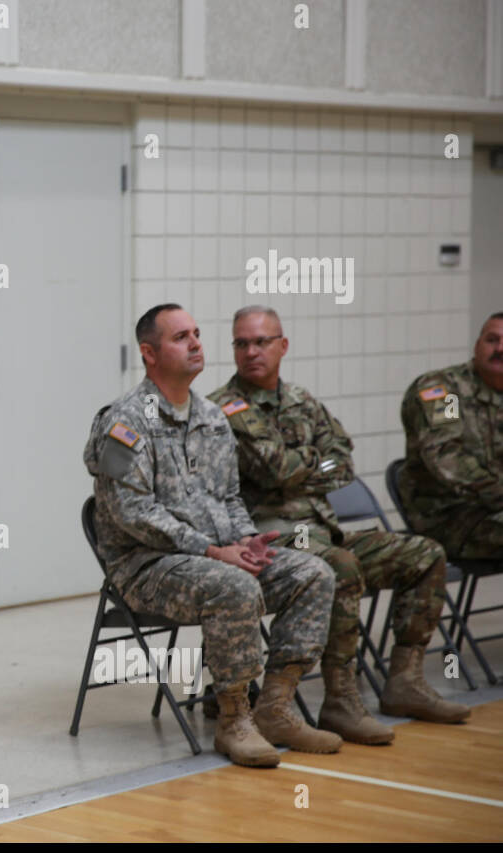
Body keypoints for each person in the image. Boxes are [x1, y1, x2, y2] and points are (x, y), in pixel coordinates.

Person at [84, 304, 339, 768]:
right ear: (149, 353)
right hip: (146, 566)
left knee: (313, 572)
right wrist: (212, 550)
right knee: (235, 585)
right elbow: (131, 512)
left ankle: (277, 705)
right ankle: (233, 718)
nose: (197, 343)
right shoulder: (124, 422)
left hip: (215, 556)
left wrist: (246, 540)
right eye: (181, 337)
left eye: (197, 333)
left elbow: (229, 497)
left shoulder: (211, 416)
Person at [208, 307, 468, 741]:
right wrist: (314, 462)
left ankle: (404, 681)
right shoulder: (226, 408)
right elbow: (273, 469)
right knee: (341, 565)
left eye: (261, 342)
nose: (251, 351)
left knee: (424, 555)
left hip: (323, 529)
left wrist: (304, 465)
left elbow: (343, 460)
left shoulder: (301, 400)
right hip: (276, 535)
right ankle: (341, 700)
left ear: (282, 345)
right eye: (241, 343)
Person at [399, 312, 503, 561]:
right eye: (492, 340)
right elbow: (445, 455)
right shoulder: (443, 391)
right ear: (477, 345)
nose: (500, 348)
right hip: (450, 516)